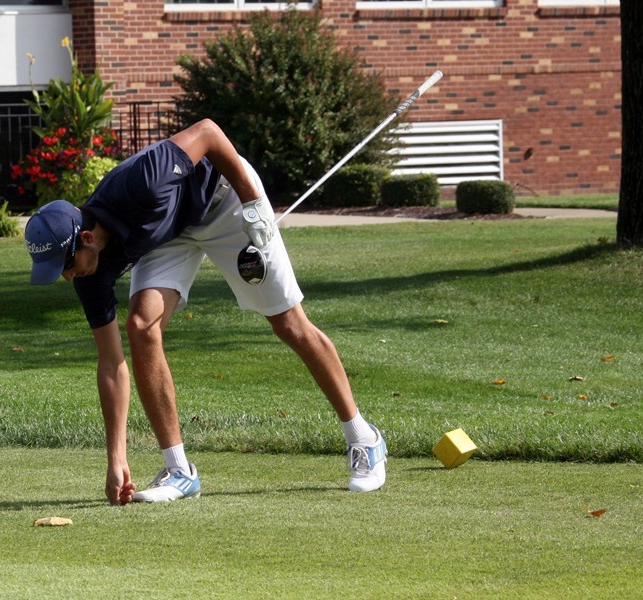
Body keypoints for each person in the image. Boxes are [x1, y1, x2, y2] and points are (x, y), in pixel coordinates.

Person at [24, 119, 387, 505]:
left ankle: (364, 439)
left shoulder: (143, 182)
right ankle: (179, 470)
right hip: (171, 231)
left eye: (66, 265)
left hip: (226, 199)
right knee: (141, 325)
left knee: (288, 323)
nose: (67, 277)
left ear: (87, 238)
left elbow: (211, 133)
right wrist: (116, 458)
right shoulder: (88, 272)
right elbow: (112, 364)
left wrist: (254, 203)